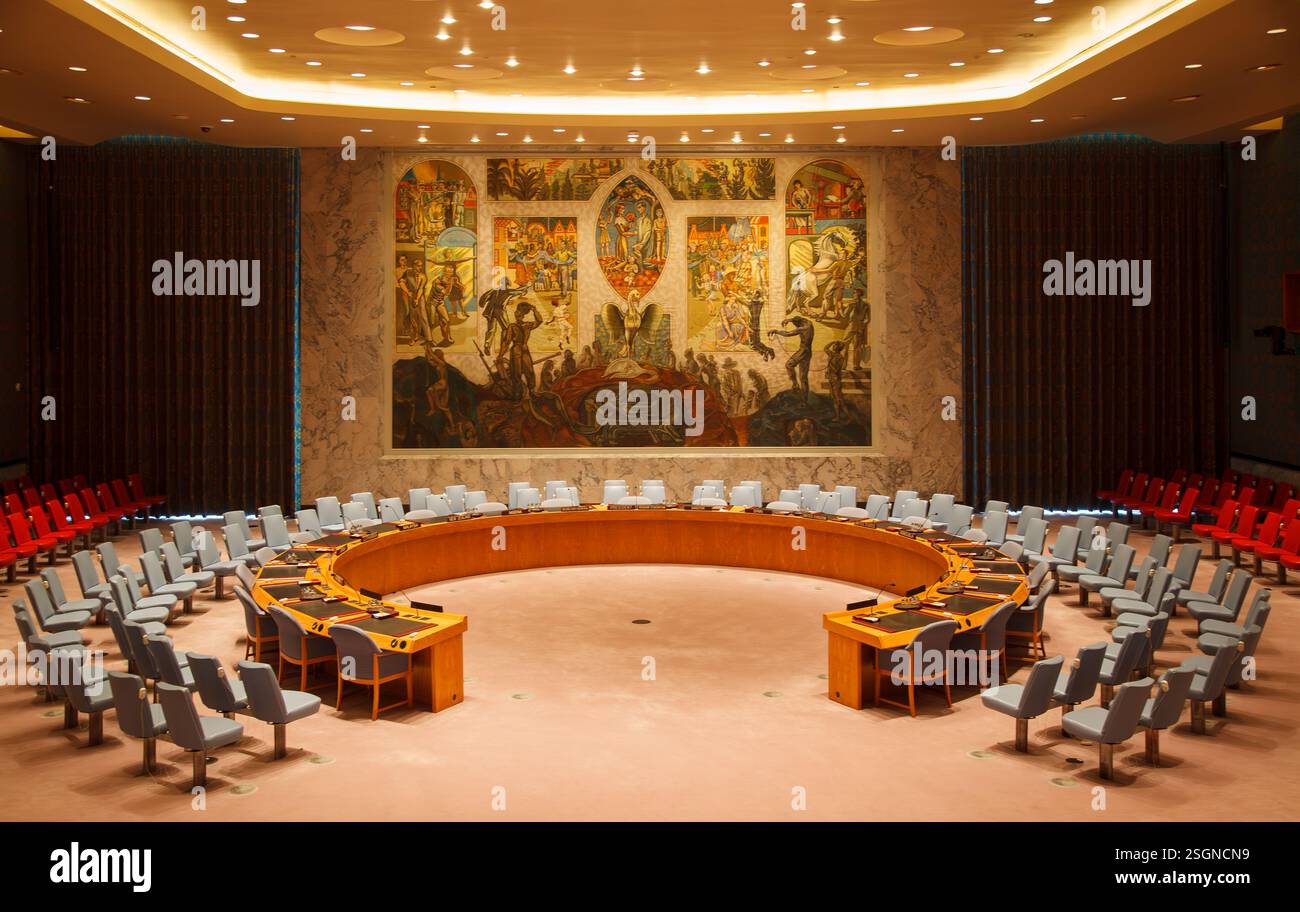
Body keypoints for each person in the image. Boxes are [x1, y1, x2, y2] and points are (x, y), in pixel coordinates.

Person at [769, 316, 814, 401]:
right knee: (803, 378)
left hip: (803, 351)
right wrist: (790, 320)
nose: (796, 327)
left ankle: (795, 384)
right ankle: (804, 400)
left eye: (796, 325)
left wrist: (776, 331)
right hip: (808, 352)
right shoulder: (809, 323)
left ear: (799, 324)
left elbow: (788, 334)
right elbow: (800, 319)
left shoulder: (803, 328)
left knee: (789, 365)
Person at [823, 340, 847, 420]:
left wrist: (830, 366)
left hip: (836, 379)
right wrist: (832, 341)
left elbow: (837, 370)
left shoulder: (840, 357)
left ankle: (844, 416)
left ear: (838, 347)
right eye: (834, 345)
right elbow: (825, 348)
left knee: (838, 398)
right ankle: (838, 416)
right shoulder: (831, 354)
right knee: (834, 398)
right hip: (831, 378)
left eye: (835, 345)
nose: (833, 346)